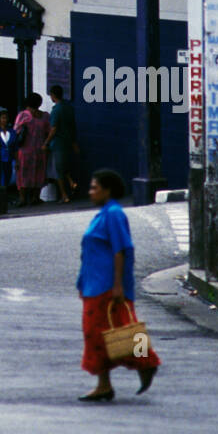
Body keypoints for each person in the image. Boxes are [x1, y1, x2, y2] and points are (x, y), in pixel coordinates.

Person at [77, 169, 161, 401]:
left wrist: (118, 284)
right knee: (96, 334)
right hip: (93, 285)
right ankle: (104, 384)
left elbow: (121, 249)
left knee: (121, 327)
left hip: (107, 286)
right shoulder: (103, 214)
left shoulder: (114, 214)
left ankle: (148, 362)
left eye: (95, 187)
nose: (91, 192)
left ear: (108, 190)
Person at [12, 93, 49, 206]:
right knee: (38, 173)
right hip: (40, 150)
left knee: (23, 174)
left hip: (25, 150)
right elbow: (49, 131)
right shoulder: (45, 116)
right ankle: (35, 197)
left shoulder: (23, 115)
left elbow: (16, 131)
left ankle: (22, 198)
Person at [44, 84, 79, 202]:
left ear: (53, 95)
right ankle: (72, 183)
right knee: (66, 167)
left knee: (59, 170)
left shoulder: (56, 110)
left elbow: (53, 129)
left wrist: (46, 143)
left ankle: (64, 195)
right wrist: (74, 143)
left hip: (58, 144)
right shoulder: (69, 108)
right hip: (68, 142)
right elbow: (73, 127)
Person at [0, 109, 16, 190]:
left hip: (10, 157)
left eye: (6, 118)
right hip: (0, 158)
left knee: (9, 176)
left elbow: (15, 146)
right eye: (3, 118)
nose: (5, 120)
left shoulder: (11, 131)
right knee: (2, 177)